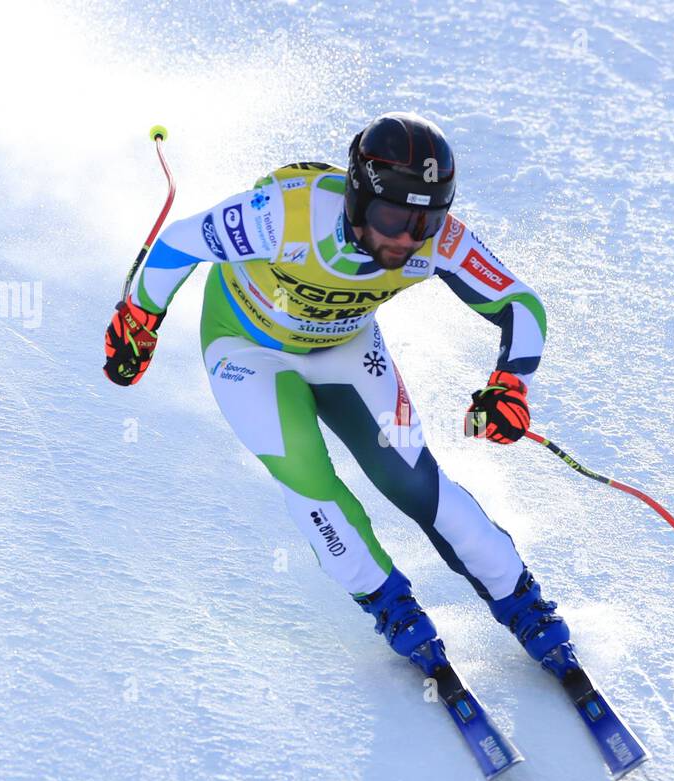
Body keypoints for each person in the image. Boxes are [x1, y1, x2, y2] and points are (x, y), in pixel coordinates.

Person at [102, 112, 582, 685]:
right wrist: (140, 317)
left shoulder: (440, 241)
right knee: (308, 475)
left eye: (426, 220)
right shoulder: (284, 217)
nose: (408, 237)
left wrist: (511, 382)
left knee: (413, 480)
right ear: (356, 200)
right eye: (391, 216)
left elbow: (520, 305)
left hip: (347, 350)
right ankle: (388, 601)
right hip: (248, 352)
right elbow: (179, 245)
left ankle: (520, 598)